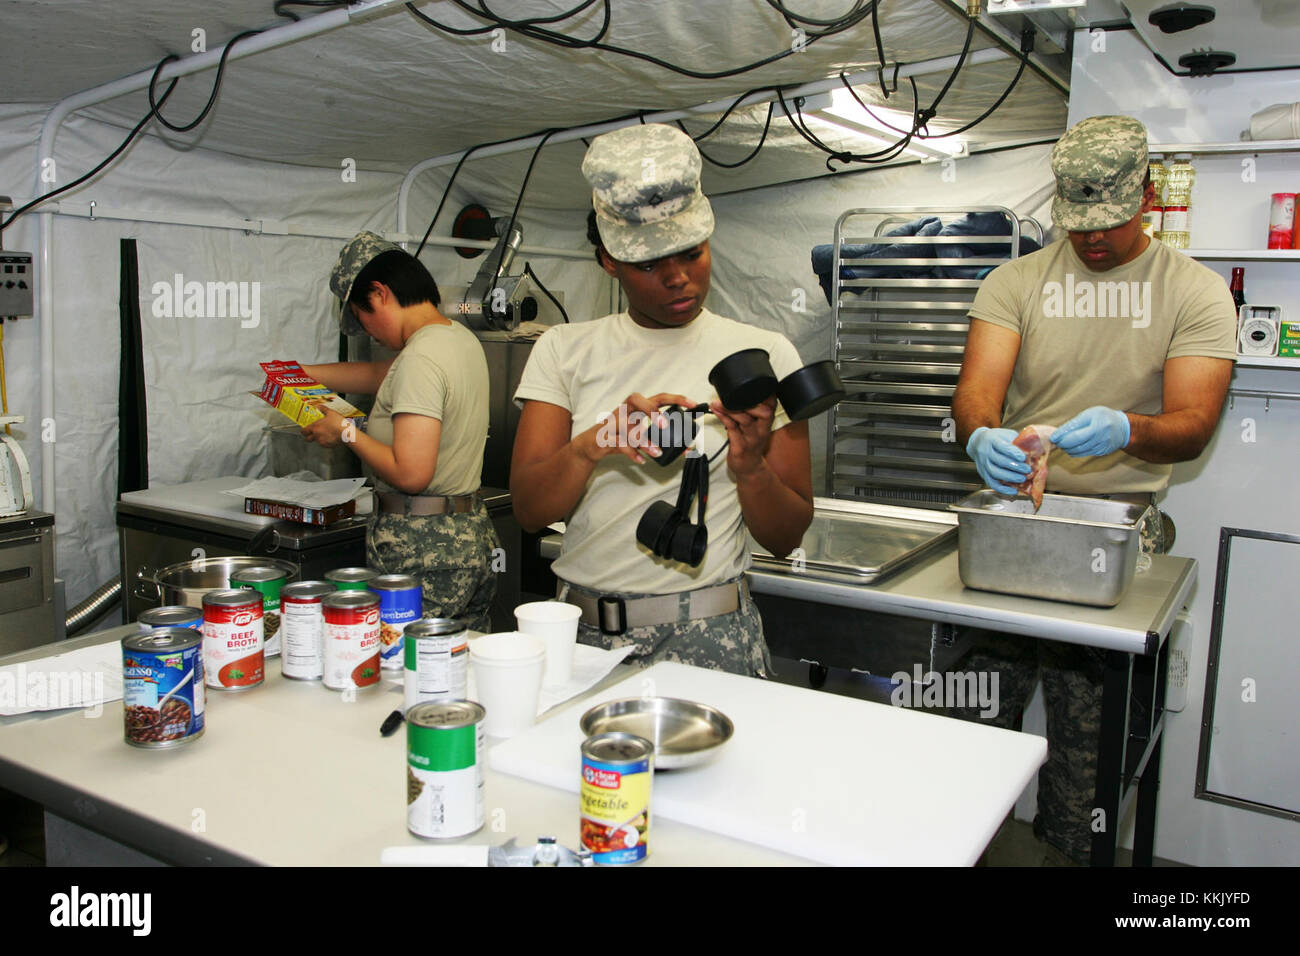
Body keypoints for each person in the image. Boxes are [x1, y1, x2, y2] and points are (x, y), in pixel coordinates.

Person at [950, 115, 1237, 864]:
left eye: (1109, 223)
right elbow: (977, 392)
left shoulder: (1195, 292)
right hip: (1018, 524)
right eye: (1078, 225)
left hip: (1120, 535)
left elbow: (1195, 423)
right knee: (965, 729)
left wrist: (1130, 430)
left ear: (1146, 195)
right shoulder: (1015, 281)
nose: (1094, 241)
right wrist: (982, 434)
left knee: (1087, 764)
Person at [510, 123, 813, 677]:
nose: (677, 278)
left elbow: (787, 535)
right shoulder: (563, 348)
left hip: (710, 635)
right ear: (608, 259)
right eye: (649, 264)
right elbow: (530, 511)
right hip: (582, 638)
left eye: (690, 254)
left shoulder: (763, 355)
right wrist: (595, 445)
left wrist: (749, 468)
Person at [300, 232, 498, 631]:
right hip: (466, 537)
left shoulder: (420, 358)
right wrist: (300, 376)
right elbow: (379, 376)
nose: (368, 332)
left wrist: (344, 431)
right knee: (459, 663)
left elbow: (411, 473)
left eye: (362, 316)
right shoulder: (455, 338)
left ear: (379, 294)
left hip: (424, 548)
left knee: (413, 667)